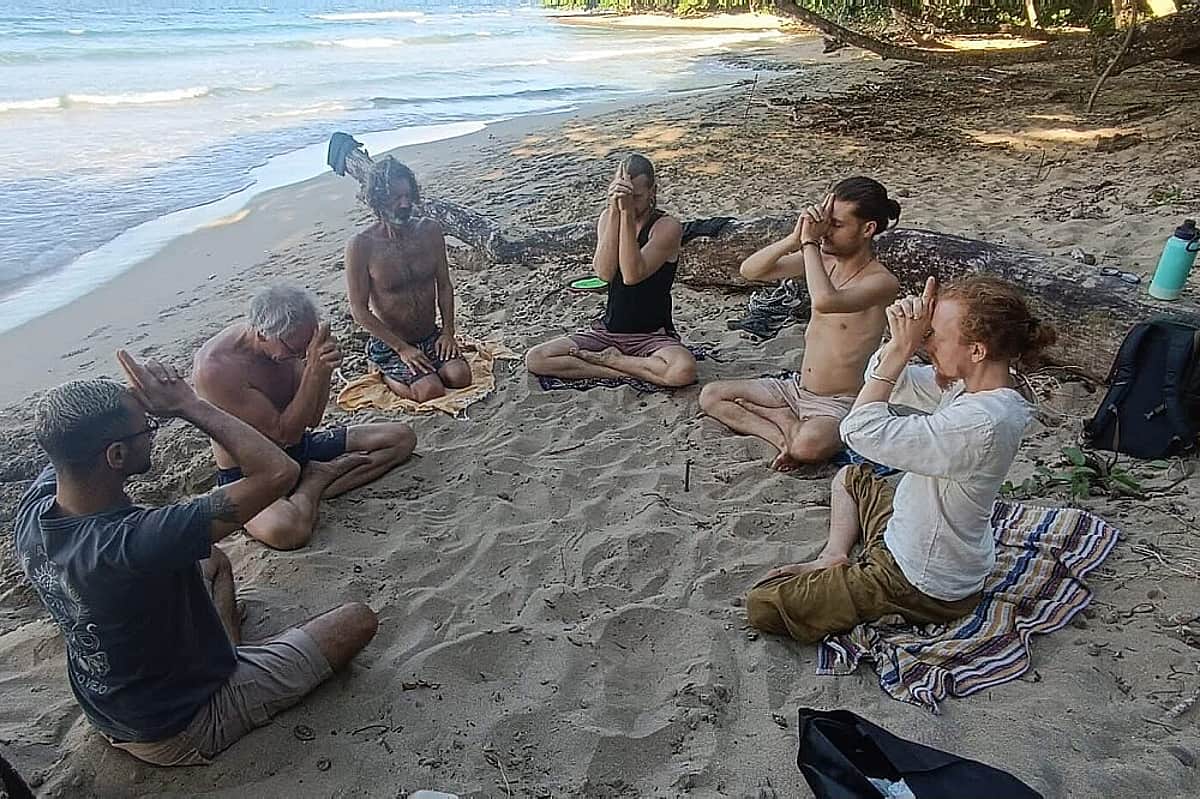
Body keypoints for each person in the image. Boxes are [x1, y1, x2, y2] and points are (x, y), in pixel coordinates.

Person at [13, 353, 380, 766]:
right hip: (181, 725)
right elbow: (277, 472)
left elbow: (70, 436)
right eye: (147, 429)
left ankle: (225, 650)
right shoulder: (138, 541)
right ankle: (229, 674)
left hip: (113, 707)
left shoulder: (36, 509)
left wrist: (126, 404)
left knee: (214, 561)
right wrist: (188, 404)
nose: (152, 434)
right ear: (115, 456)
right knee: (356, 620)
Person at [746, 275, 1057, 643]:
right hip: (910, 538)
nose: (927, 343)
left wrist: (901, 348)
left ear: (976, 350)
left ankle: (889, 599)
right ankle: (834, 554)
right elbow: (890, 380)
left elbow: (859, 430)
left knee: (763, 604)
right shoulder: (979, 383)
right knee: (851, 478)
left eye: (936, 335)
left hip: (922, 579)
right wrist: (902, 343)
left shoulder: (982, 423)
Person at [699, 177, 901, 470]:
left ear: (867, 229)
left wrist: (809, 243)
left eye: (837, 224)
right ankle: (781, 437)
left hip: (839, 401)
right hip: (797, 388)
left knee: (808, 446)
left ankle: (786, 428)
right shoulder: (822, 260)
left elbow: (825, 301)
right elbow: (750, 271)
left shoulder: (881, 281)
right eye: (824, 223)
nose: (825, 232)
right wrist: (794, 240)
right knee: (711, 395)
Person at [193, 284, 415, 550]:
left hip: (300, 448)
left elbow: (312, 419)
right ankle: (315, 483)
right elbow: (283, 434)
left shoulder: (290, 345)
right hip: (251, 472)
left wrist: (323, 372)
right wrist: (313, 369)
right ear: (262, 334)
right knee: (288, 532)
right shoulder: (217, 367)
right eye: (293, 350)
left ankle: (305, 494)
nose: (299, 355)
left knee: (401, 439)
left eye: (305, 346)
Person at [525, 153, 697, 388]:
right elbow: (604, 273)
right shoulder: (608, 217)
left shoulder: (667, 227)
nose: (630, 203)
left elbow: (632, 274)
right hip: (609, 331)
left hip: (653, 336)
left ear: (652, 191)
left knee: (682, 371)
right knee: (536, 358)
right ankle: (621, 370)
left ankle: (614, 361)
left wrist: (625, 213)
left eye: (636, 197)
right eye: (623, 195)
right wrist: (615, 212)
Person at [346, 156, 473, 402]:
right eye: (395, 198)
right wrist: (401, 348)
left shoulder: (430, 230)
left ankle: (427, 361)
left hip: (430, 334)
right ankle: (384, 371)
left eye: (407, 196)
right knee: (430, 390)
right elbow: (358, 308)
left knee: (460, 377)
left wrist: (448, 332)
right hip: (393, 343)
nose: (404, 204)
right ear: (378, 201)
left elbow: (444, 286)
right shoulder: (362, 245)